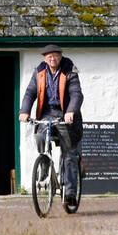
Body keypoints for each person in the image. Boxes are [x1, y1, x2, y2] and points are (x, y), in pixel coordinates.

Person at [19, 43, 84, 209]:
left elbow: (76, 94)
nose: (53, 59)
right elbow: (30, 93)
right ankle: (44, 164)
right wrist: (25, 111)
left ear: (60, 56)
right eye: (49, 57)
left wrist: (71, 111)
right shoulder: (39, 72)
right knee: (40, 135)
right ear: (44, 59)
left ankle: (69, 193)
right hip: (47, 113)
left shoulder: (69, 70)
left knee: (69, 153)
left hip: (65, 115)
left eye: (55, 56)